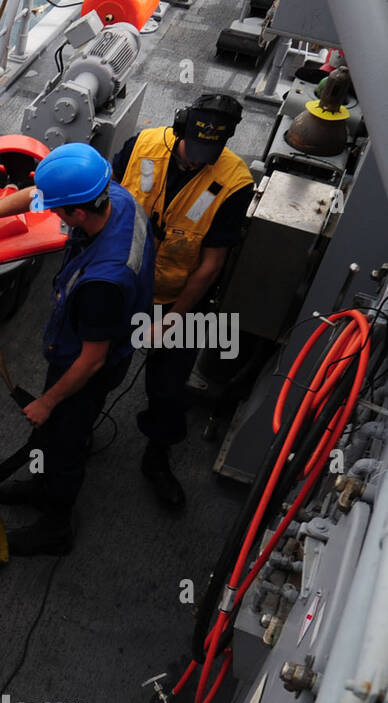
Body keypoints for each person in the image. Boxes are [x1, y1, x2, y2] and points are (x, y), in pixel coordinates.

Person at [0, 142, 155, 555]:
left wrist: (48, 401)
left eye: (58, 210)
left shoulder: (104, 282)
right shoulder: (112, 195)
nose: (50, 211)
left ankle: (56, 523)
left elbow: (92, 361)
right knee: (57, 433)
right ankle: (43, 480)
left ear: (76, 213)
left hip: (85, 363)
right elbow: (36, 196)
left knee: (65, 439)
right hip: (95, 336)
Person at [114, 93, 253, 508]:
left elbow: (210, 265)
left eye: (209, 152)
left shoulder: (233, 181)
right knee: (95, 364)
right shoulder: (142, 146)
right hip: (122, 284)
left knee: (170, 387)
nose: (197, 160)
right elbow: (107, 205)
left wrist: (172, 320)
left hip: (179, 297)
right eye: (194, 148)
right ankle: (75, 431)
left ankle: (157, 455)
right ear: (181, 127)